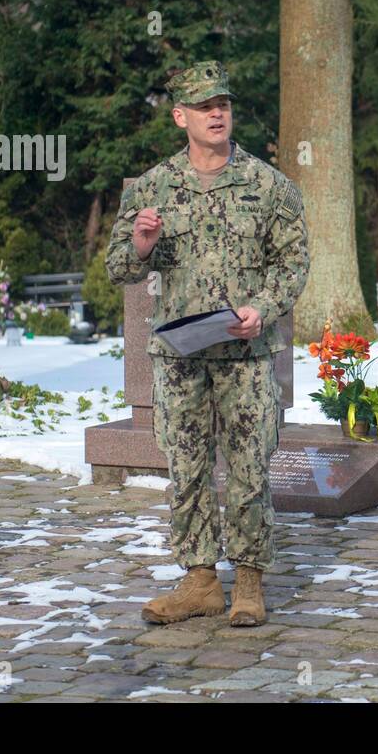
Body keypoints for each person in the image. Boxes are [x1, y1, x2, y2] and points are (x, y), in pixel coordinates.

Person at [106, 60, 310, 627]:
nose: (216, 112)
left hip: (245, 353)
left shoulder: (269, 185)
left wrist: (262, 309)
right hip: (181, 357)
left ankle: (249, 582)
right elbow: (117, 266)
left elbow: (292, 263)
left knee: (249, 469)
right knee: (188, 468)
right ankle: (198, 582)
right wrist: (143, 245)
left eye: (223, 103)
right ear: (180, 117)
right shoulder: (153, 187)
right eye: (203, 106)